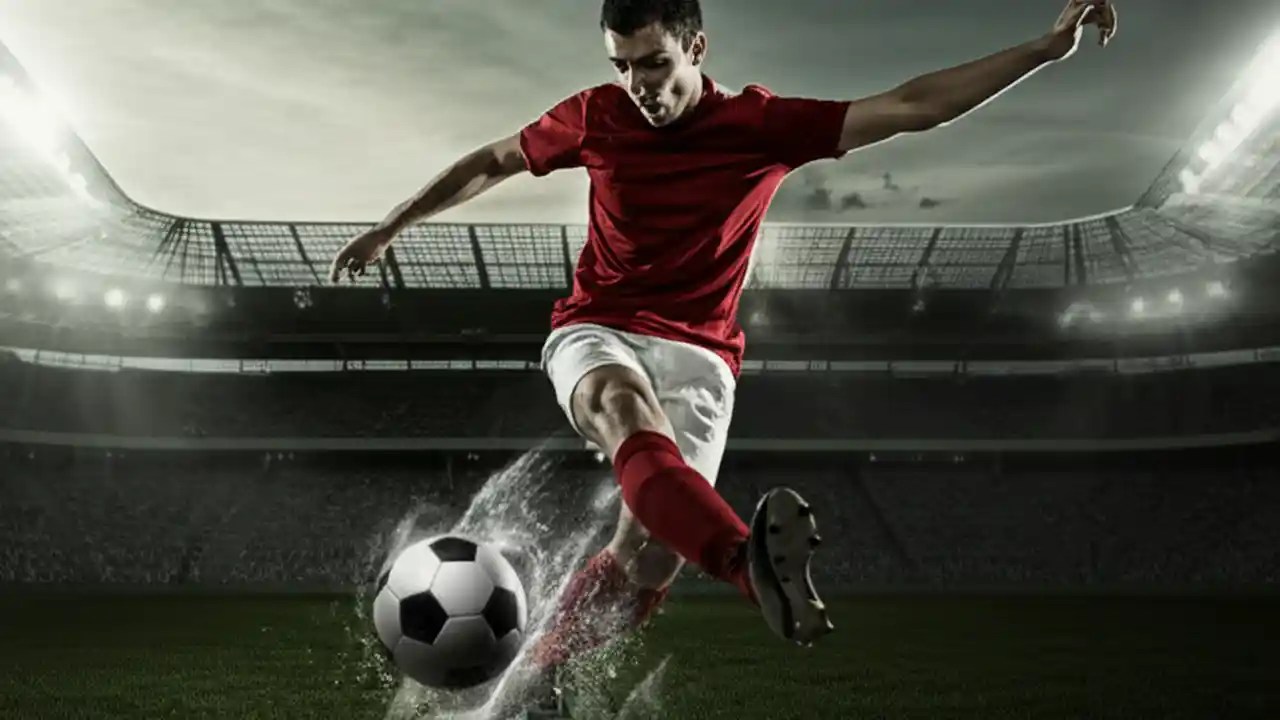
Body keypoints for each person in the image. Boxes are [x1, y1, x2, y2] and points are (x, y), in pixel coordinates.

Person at [331, 0, 1117, 681]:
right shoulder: (596, 115)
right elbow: (498, 158)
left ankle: (541, 675)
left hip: (703, 358)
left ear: (696, 49)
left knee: (647, 556)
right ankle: (749, 566)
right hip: (598, 328)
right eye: (623, 65)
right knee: (619, 405)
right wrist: (391, 226)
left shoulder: (762, 126)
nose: (640, 85)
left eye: (655, 63)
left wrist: (1043, 50)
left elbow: (913, 105)